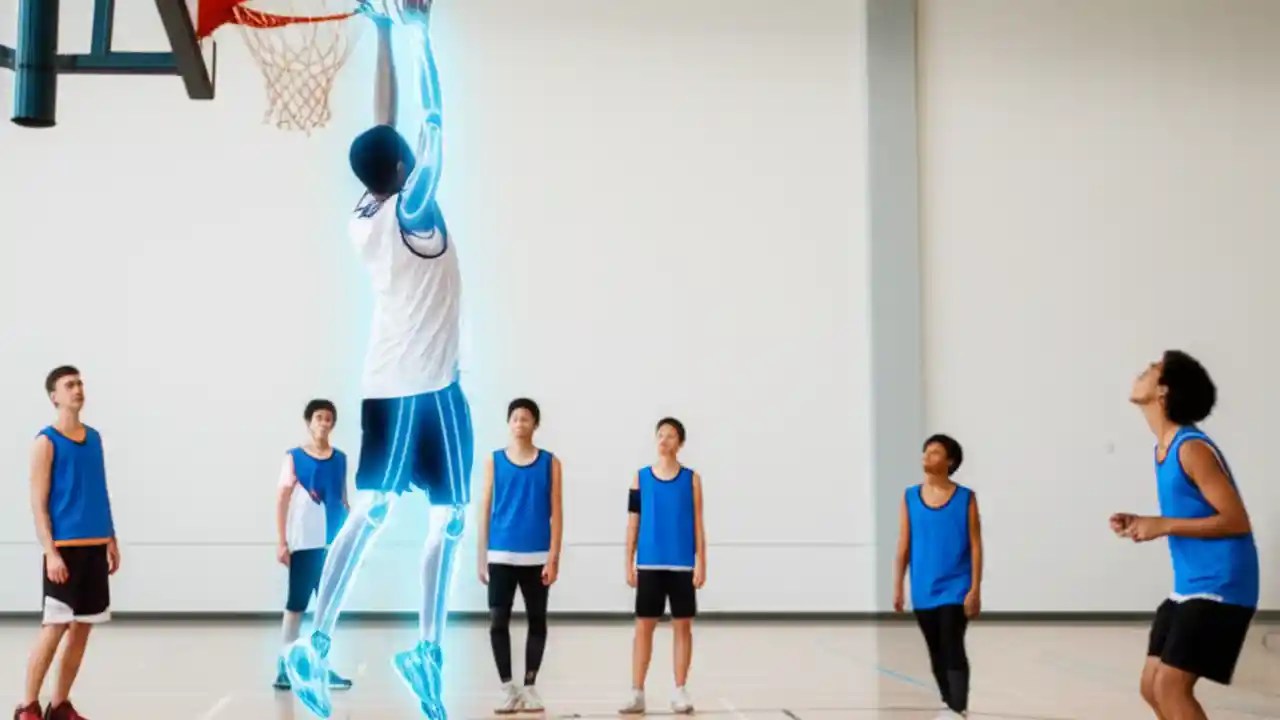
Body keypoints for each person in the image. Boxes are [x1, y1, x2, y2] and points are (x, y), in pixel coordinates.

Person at [282, 3, 475, 719]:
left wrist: (386, 35)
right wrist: (421, 31)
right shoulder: (414, 208)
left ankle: (349, 640)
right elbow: (432, 124)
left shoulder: (366, 208)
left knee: (403, 513)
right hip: (426, 391)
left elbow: (387, 122)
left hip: (396, 384)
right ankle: (368, 642)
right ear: (404, 168)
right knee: (427, 516)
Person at [1113, 350, 1258, 720]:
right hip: (1189, 584)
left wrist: (1162, 524)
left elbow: (1236, 520)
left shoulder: (1192, 448)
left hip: (1222, 586)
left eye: (1152, 369)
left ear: (1163, 391)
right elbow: (1192, 511)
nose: (1141, 371)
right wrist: (1143, 521)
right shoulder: (1164, 448)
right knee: (1152, 685)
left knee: (1170, 687)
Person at [13, 366, 121, 720]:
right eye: (69, 385)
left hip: (95, 545)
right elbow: (38, 501)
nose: (78, 389)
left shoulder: (94, 438)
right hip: (64, 549)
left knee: (82, 629)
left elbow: (99, 490)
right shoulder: (45, 441)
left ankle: (59, 705)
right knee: (55, 628)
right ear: (54, 396)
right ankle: (28, 706)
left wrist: (111, 537)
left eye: (80, 383)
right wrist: (50, 552)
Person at [476, 398, 563, 714]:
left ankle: (530, 685)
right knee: (497, 621)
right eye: (515, 418)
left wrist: (554, 556)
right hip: (500, 554)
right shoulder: (494, 461)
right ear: (508, 423)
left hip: (537, 555)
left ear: (535, 424)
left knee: (537, 620)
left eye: (525, 419)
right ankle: (506, 687)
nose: (519, 423)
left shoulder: (550, 463)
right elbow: (484, 508)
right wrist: (480, 554)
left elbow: (557, 511)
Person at [620, 418, 706, 716]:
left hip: (682, 564)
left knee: (683, 626)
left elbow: (698, 524)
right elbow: (633, 523)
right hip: (649, 564)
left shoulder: (691, 479)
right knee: (644, 626)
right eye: (660, 435)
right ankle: (637, 691)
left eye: (671, 436)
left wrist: (701, 563)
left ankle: (680, 690)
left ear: (680, 443)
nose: (664, 440)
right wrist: (628, 561)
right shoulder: (640, 478)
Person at [892, 433, 982, 720]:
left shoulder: (965, 498)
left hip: (956, 586)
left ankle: (958, 708)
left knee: (952, 642)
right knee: (935, 649)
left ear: (950, 460)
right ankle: (948, 700)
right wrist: (898, 586)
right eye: (925, 452)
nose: (926, 457)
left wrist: (975, 588)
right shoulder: (909, 496)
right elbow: (903, 545)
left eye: (934, 452)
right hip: (923, 587)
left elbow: (976, 544)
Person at [272, 400, 353, 693]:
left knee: (327, 609)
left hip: (332, 545)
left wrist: (349, 543)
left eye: (329, 418)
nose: (324, 423)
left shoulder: (340, 459)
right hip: (304, 543)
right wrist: (282, 541)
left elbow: (343, 501)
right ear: (309, 422)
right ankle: (284, 666)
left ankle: (321, 665)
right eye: (319, 417)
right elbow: (281, 499)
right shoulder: (294, 457)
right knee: (296, 605)